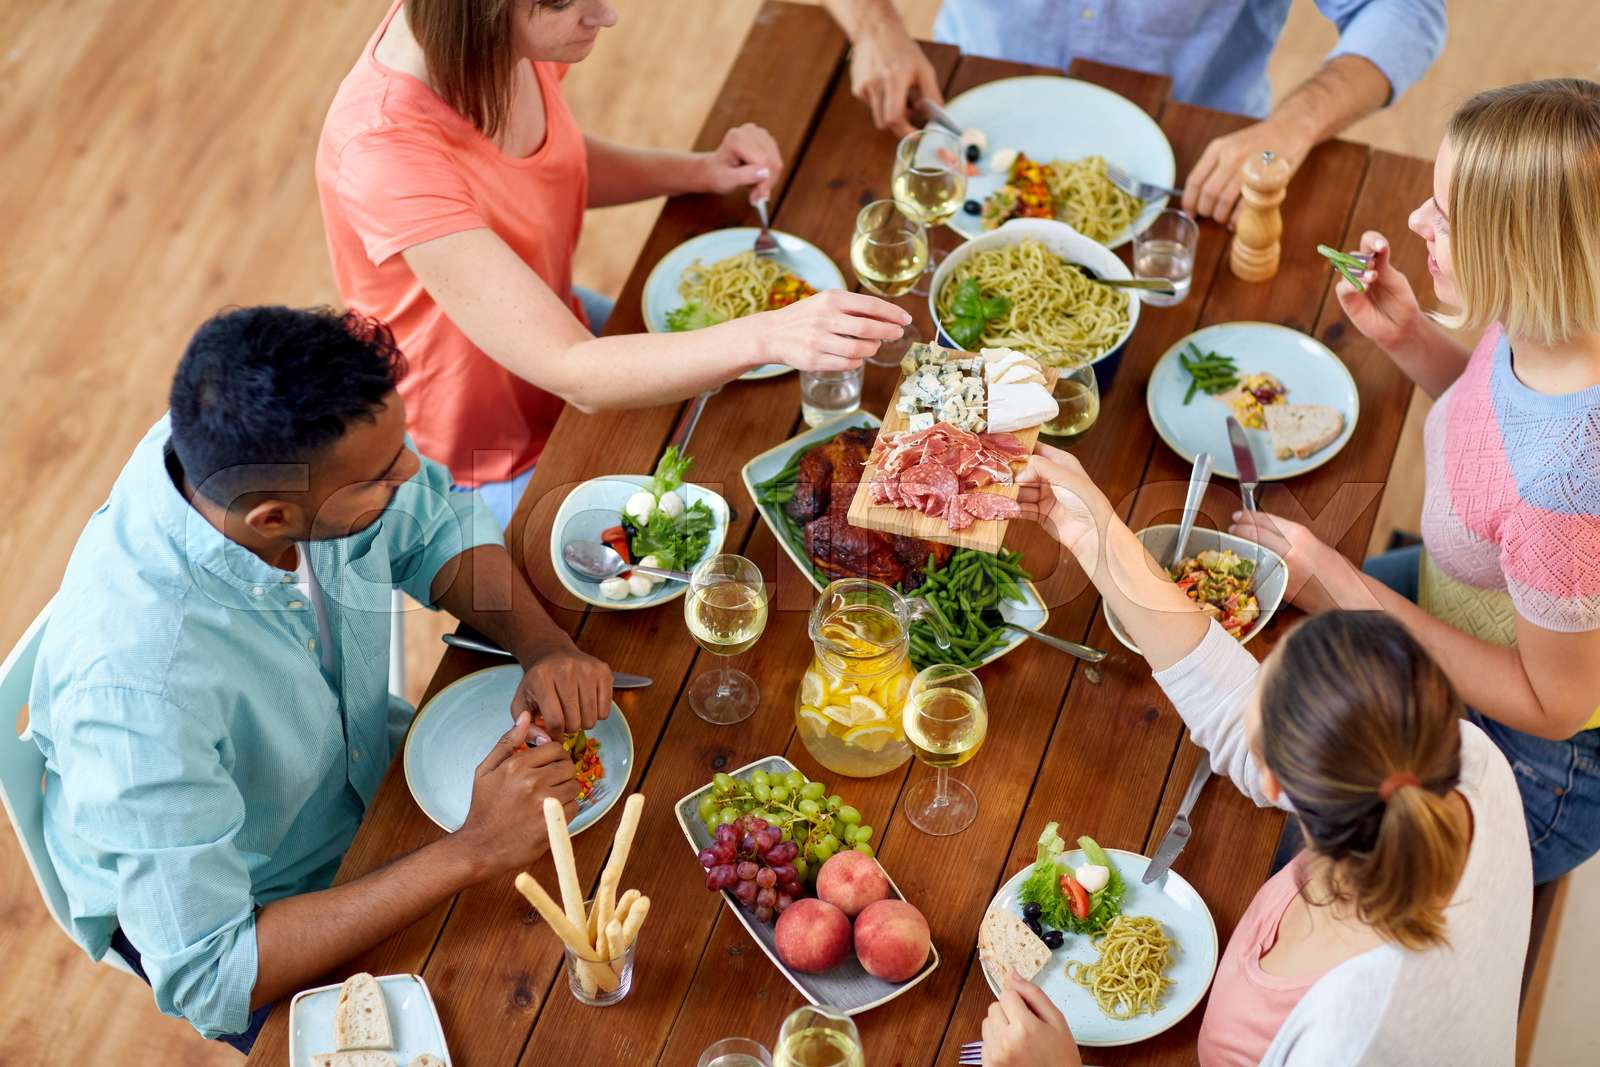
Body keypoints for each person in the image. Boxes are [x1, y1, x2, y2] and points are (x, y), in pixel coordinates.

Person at [28, 306, 615, 1051]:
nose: (413, 472)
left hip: (377, 782)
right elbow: (214, 974)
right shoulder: (135, 694)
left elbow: (435, 524)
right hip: (271, 909)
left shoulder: (258, 455)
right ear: (273, 518)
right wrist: (471, 849)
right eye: (381, 475)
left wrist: (543, 644)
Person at [976, 443, 1531, 1066]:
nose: (1245, 693)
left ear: (1271, 780)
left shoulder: (1350, 1039)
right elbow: (1223, 691)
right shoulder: (1465, 761)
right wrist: (1093, 531)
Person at [318, 0, 910, 527]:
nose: (605, 14)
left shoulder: (496, 35)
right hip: (485, 448)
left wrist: (699, 171)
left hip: (559, 323)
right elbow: (575, 370)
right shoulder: (385, 150)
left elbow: (550, 161)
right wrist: (778, 331)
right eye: (564, 3)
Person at [1230, 78, 1600, 885]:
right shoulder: (1552, 314)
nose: (1416, 222)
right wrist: (1409, 336)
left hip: (1539, 758)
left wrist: (1336, 578)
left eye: (1445, 215)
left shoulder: (1567, 486)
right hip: (1453, 595)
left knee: (1280, 857)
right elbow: (1498, 424)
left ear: (1524, 250)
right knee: (1250, 636)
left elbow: (1554, 702)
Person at [821, 0, 1445, 224]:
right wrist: (874, 24)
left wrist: (1295, 124)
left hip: (1196, 160)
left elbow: (1404, 11)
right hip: (962, 116)